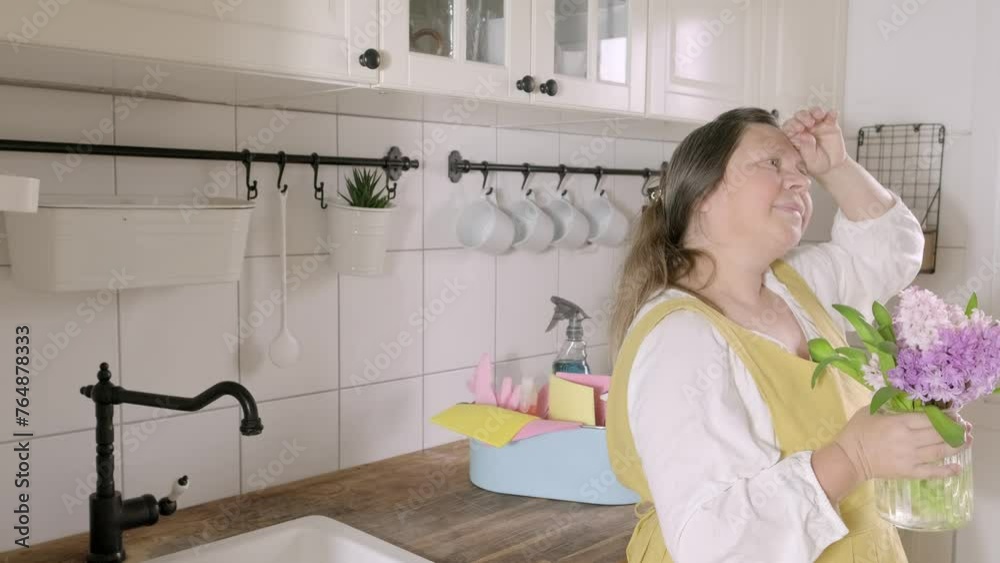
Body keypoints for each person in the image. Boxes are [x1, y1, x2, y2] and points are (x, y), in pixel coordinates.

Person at [605, 107, 972, 563]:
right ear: (702, 195)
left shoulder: (793, 285)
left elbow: (891, 252)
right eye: (772, 164)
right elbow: (709, 544)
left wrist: (835, 167)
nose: (800, 181)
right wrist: (852, 457)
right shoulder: (680, 340)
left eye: (802, 171)